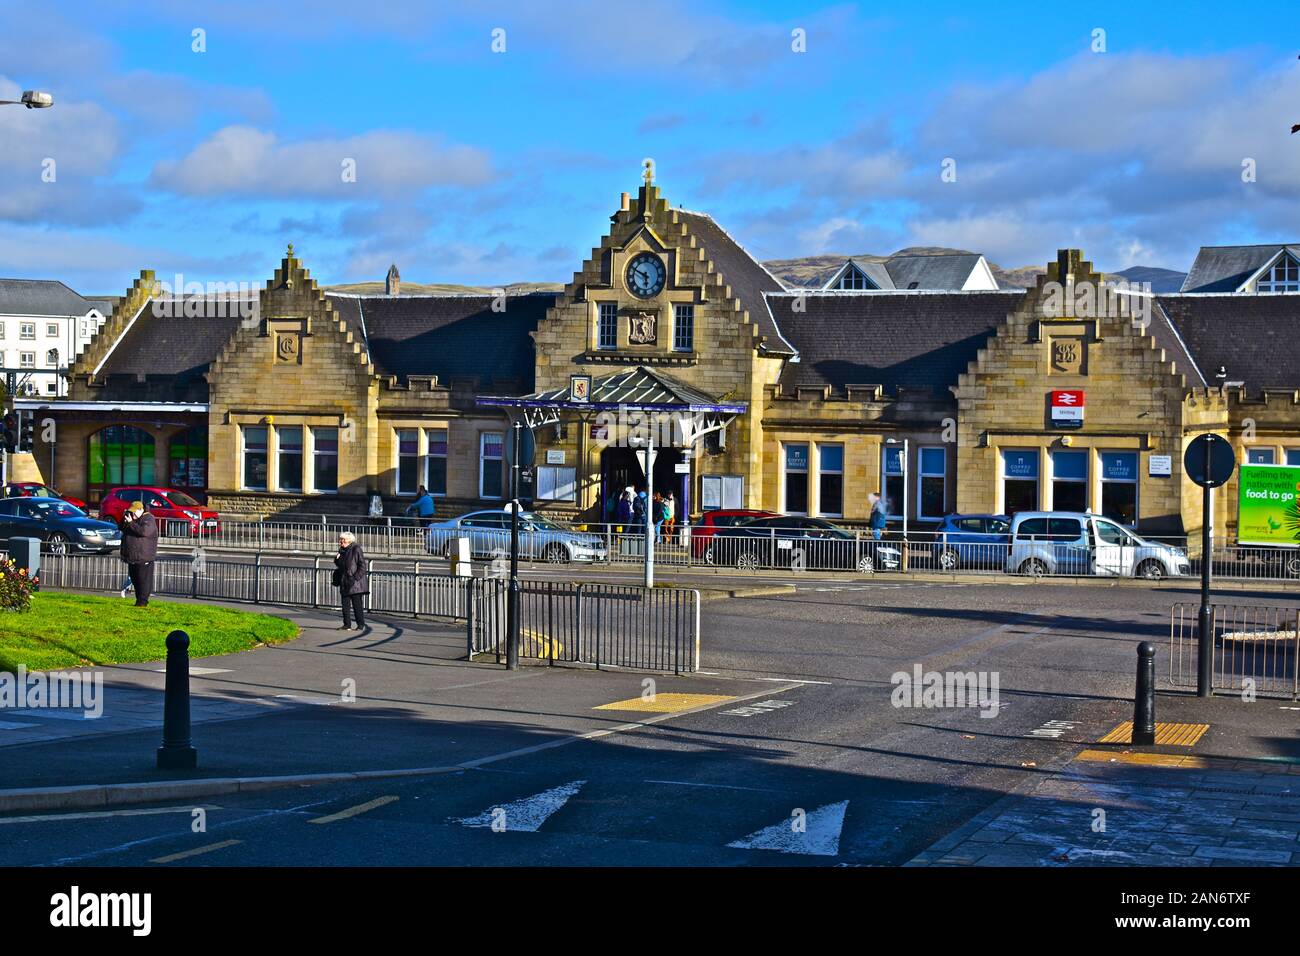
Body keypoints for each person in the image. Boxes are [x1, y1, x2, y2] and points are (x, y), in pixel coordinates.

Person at [118, 500, 158, 608]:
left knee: (143, 580)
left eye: (135, 512)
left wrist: (131, 523)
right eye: (131, 512)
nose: (133, 514)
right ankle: (139, 601)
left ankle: (142, 602)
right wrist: (125, 519)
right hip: (133, 556)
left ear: (141, 510)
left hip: (144, 556)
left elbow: (144, 532)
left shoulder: (148, 519)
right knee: (135, 579)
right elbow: (121, 528)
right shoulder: (132, 518)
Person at [333, 531, 369, 630]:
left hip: (355, 583)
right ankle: (347, 625)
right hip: (344, 581)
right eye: (340, 539)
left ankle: (360, 625)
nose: (341, 541)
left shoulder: (356, 549)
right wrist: (336, 559)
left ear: (349, 540)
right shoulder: (341, 550)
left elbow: (362, 566)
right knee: (345, 605)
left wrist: (355, 578)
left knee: (357, 605)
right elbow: (340, 565)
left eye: (343, 539)